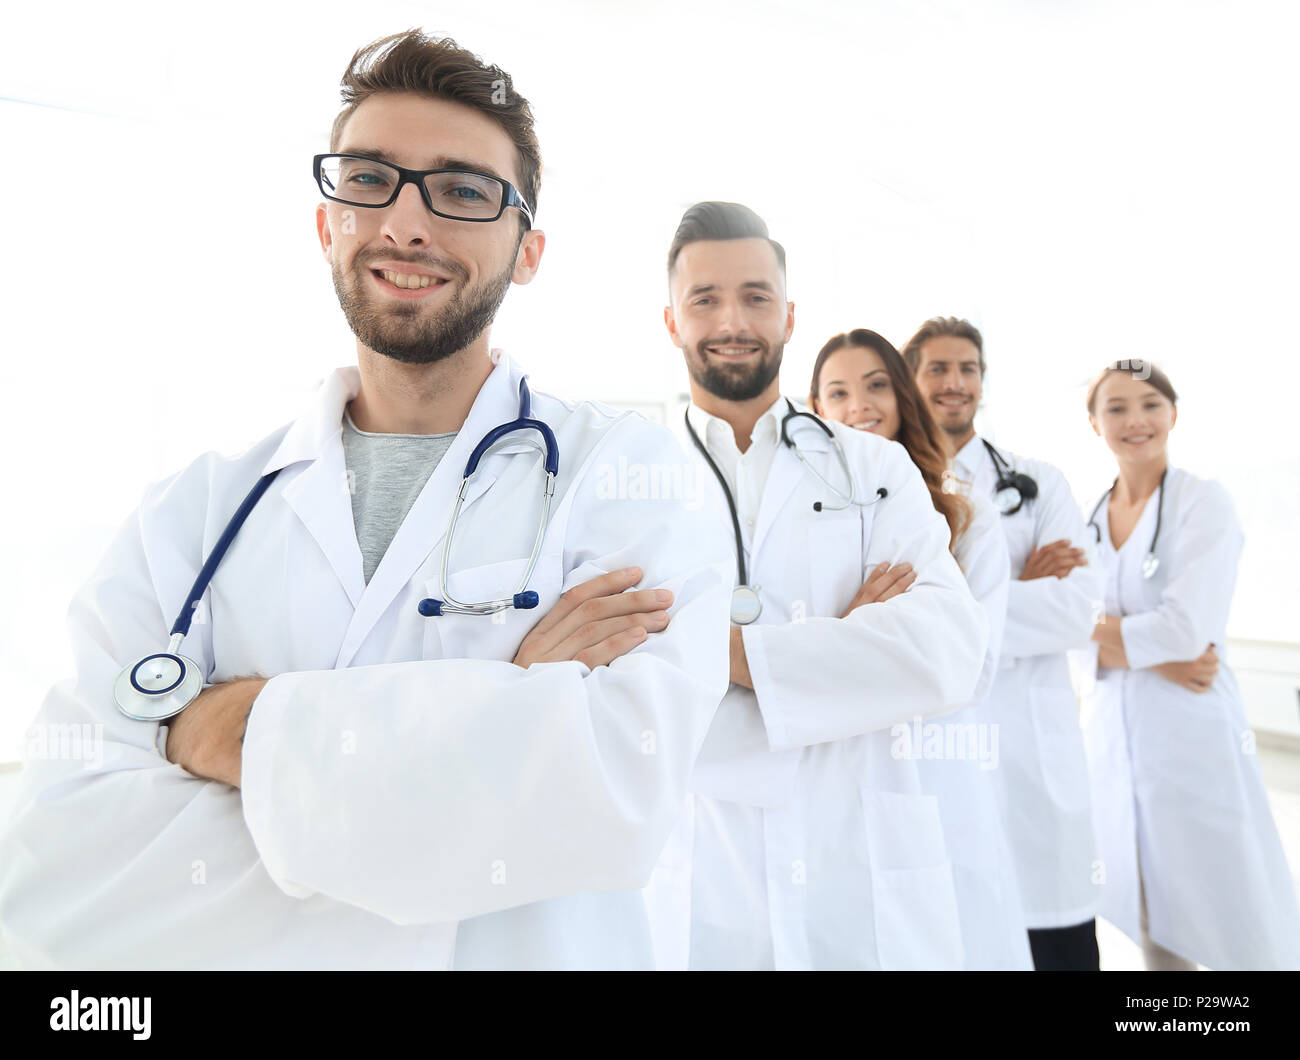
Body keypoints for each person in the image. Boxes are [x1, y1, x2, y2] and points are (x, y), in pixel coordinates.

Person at [0, 29, 731, 971]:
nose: (407, 225)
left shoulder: (626, 480)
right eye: (369, 180)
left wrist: (218, 728)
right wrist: (500, 707)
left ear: (530, 248)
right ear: (325, 223)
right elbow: (58, 856)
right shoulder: (194, 514)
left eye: (464, 191)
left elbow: (607, 797)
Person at [643, 203, 989, 970]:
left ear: (790, 315)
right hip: (699, 870)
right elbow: (609, 679)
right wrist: (847, 650)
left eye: (756, 296)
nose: (733, 319)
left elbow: (948, 652)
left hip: (856, 863)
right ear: (671, 321)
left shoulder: (873, 468)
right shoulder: (624, 483)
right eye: (705, 298)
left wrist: (709, 649)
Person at [810, 328, 1032, 970]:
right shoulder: (806, 515)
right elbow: (781, 661)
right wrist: (875, 644)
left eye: (877, 385)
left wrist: (843, 646)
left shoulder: (967, 516)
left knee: (960, 939)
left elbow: (971, 670)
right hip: (834, 771)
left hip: (941, 772)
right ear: (815, 409)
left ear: (905, 397)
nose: (860, 406)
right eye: (839, 392)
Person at [1080, 360, 1300, 971]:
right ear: (1094, 424)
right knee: (1154, 903)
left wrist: (1106, 638)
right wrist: (1155, 660)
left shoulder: (1203, 503)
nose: (1136, 420)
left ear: (1173, 414)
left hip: (1192, 734)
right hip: (1118, 737)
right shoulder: (1087, 517)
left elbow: (1186, 630)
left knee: (1227, 899)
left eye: (1150, 404)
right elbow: (1061, 628)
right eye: (1116, 407)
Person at [901, 316, 1102, 971]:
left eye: (968, 369)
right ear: (911, 381)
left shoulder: (1039, 480)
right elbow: (880, 623)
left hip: (1028, 758)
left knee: (1054, 942)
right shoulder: (887, 487)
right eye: (938, 368)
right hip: (929, 756)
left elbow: (1076, 611)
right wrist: (1012, 586)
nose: (955, 383)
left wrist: (946, 603)